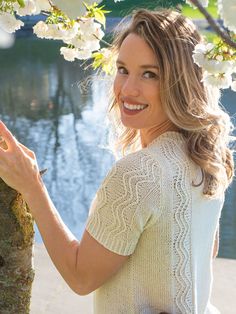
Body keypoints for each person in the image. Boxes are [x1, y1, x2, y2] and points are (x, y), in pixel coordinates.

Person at [0, 8, 234, 314]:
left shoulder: (139, 174)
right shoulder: (207, 155)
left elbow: (81, 277)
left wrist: (32, 187)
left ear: (181, 82)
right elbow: (204, 252)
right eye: (123, 69)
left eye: (150, 74)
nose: (127, 89)